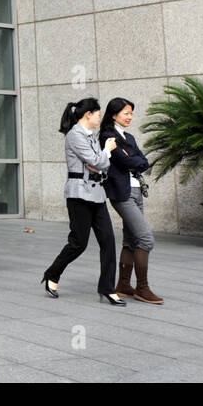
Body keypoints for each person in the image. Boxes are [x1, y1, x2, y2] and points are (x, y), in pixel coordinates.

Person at [42, 98, 125, 305]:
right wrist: (106, 151)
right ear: (88, 114)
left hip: (97, 193)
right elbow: (97, 161)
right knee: (79, 243)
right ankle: (53, 273)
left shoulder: (91, 136)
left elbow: (99, 166)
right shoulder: (74, 135)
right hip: (79, 194)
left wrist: (98, 161)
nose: (100, 118)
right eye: (98, 114)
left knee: (108, 240)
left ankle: (107, 287)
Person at [100, 98, 162, 304]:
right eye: (126, 113)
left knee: (131, 240)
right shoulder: (108, 136)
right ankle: (142, 288)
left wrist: (133, 160)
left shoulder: (130, 138)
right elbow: (125, 160)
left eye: (131, 113)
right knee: (146, 239)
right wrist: (132, 160)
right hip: (122, 193)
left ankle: (124, 284)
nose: (130, 117)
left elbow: (143, 161)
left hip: (136, 191)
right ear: (114, 114)